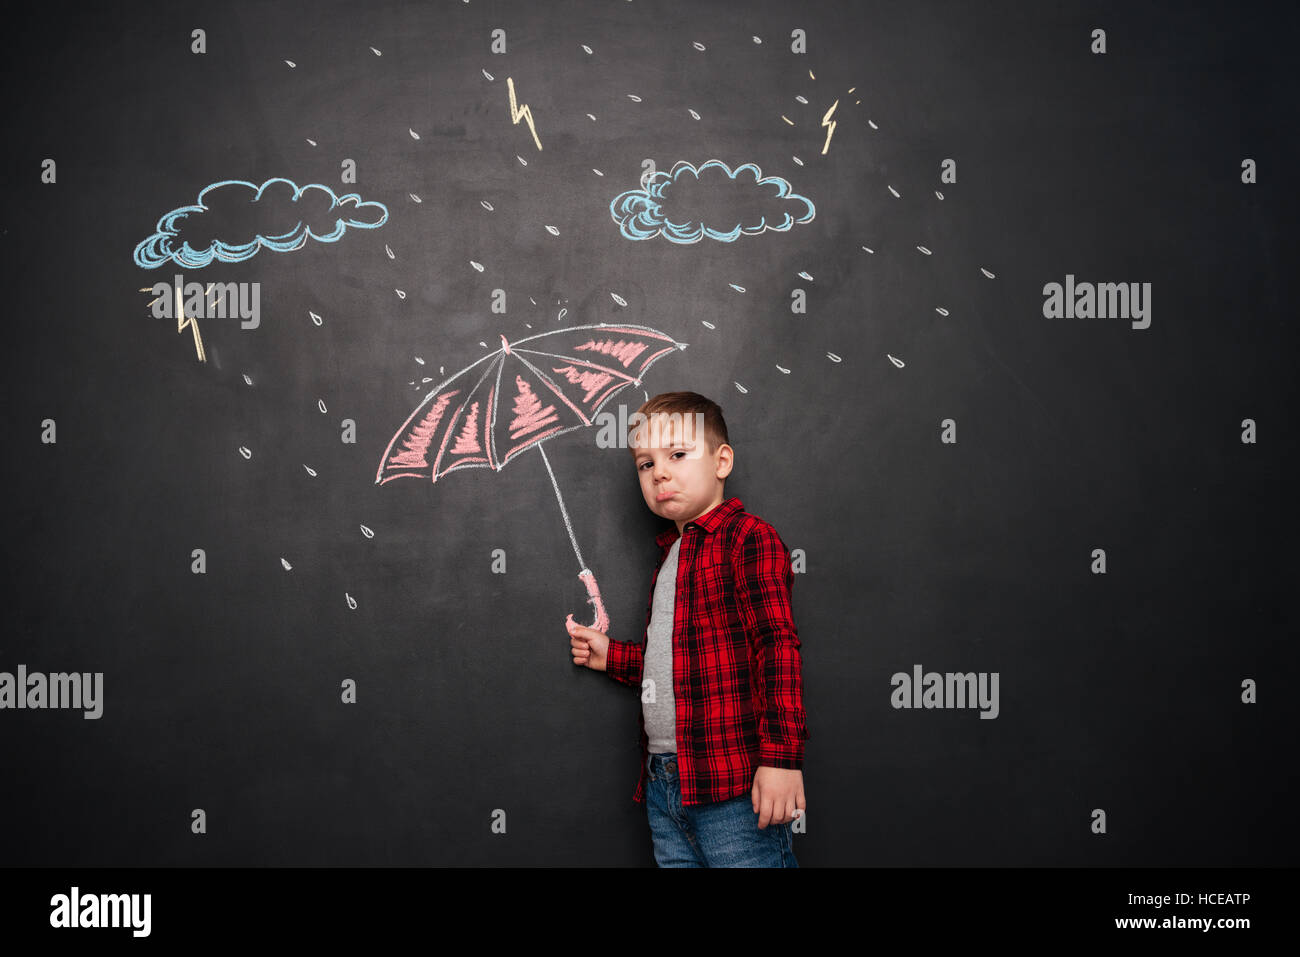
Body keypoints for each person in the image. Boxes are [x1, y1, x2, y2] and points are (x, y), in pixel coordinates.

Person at [567, 391, 808, 867]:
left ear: (721, 461)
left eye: (677, 455)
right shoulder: (670, 557)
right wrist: (612, 656)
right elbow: (679, 663)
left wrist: (781, 759)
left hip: (733, 786)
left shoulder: (748, 539)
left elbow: (777, 649)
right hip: (665, 785)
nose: (659, 472)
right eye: (645, 463)